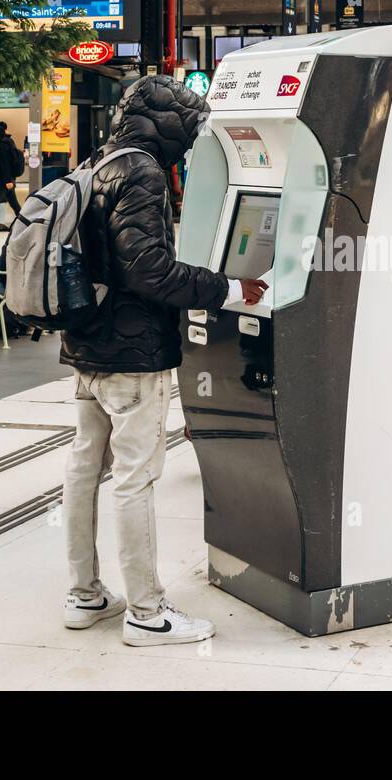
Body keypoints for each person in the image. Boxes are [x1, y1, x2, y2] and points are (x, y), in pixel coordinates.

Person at [58, 75, 267, 647]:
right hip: (134, 354)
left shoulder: (98, 163)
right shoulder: (144, 172)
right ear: (169, 124)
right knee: (134, 479)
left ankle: (84, 596)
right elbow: (148, 270)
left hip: (89, 345)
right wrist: (227, 288)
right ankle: (147, 614)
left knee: (83, 471)